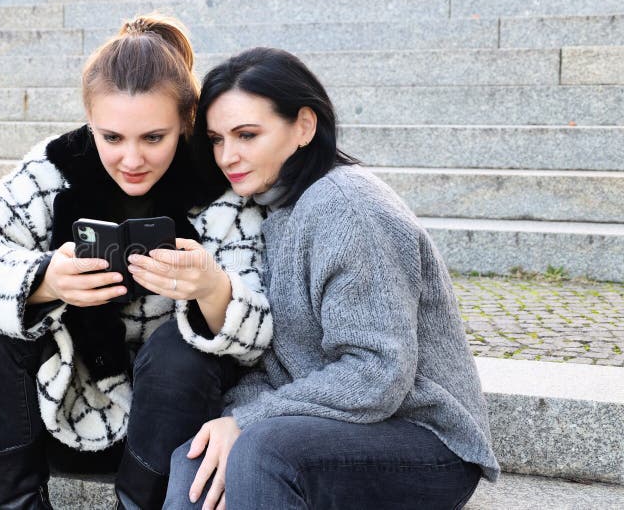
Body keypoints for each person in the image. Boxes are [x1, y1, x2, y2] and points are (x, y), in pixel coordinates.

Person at [0, 16, 273, 510]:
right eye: (112, 137)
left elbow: (262, 330)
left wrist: (212, 287)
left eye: (154, 138)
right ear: (89, 121)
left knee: (180, 351)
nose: (132, 159)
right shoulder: (52, 170)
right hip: (61, 398)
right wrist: (43, 281)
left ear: (186, 122)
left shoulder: (221, 194)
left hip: (172, 420)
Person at [162, 47, 500, 509]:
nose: (228, 155)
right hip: (327, 429)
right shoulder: (269, 210)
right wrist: (230, 421)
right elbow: (279, 368)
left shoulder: (349, 208)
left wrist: (247, 421)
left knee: (260, 451)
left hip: (426, 442)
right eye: (217, 139)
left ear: (304, 126)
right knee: (197, 460)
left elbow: (377, 373)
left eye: (246, 134)